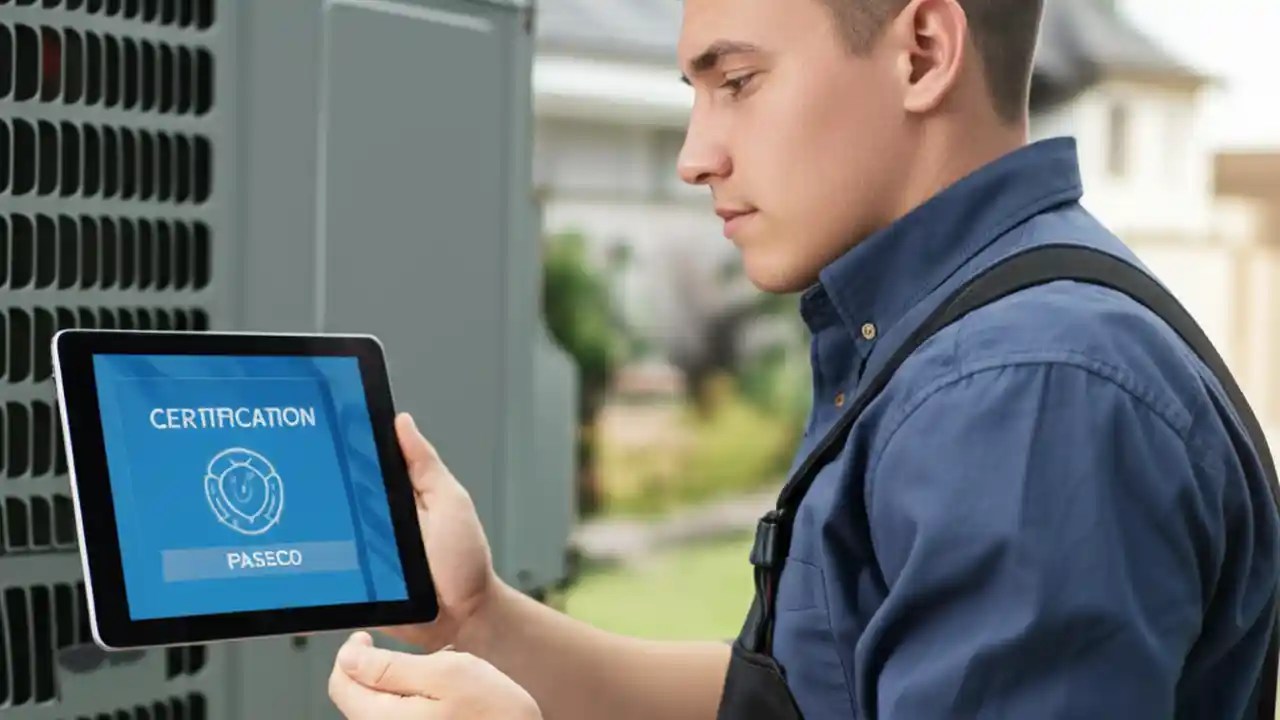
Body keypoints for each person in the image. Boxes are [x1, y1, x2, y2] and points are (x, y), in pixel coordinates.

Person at [326, 0, 1280, 717]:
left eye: (736, 83)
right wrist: (484, 621)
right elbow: (826, 694)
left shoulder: (1021, 393)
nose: (694, 156)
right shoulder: (966, 342)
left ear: (923, 52)